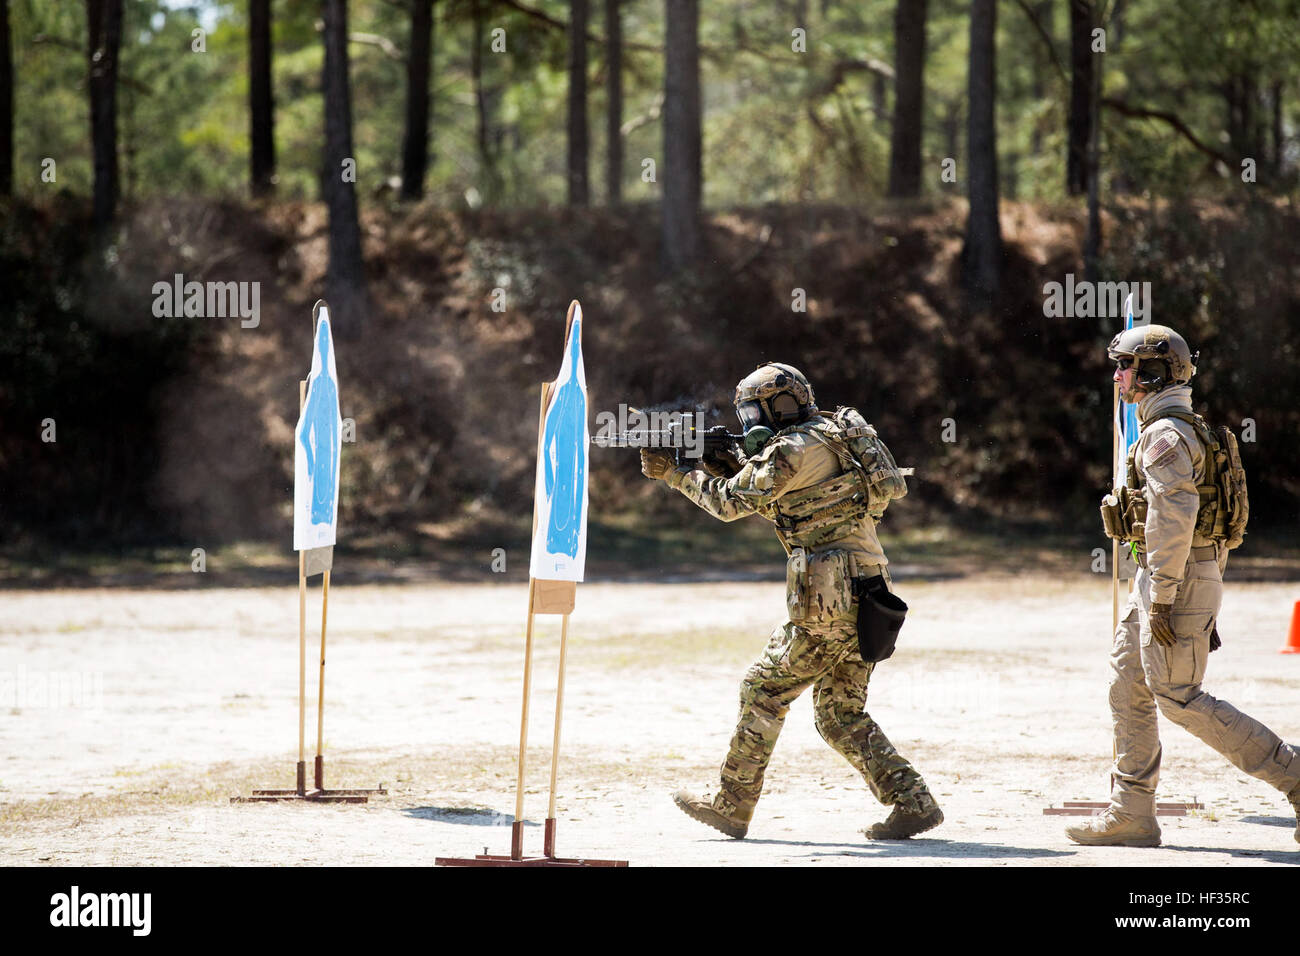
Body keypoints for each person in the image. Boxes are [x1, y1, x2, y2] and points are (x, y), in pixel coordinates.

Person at [640, 363, 943, 840]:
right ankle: (912, 801)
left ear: (774, 408)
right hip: (869, 591)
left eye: (752, 412)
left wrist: (677, 475)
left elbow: (728, 505)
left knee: (764, 690)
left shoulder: (792, 449)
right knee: (840, 716)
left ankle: (731, 805)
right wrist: (730, 467)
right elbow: (803, 506)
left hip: (830, 598)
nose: (748, 423)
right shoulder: (834, 434)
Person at [1067, 325, 1300, 847]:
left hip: (1175, 577)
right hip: (1168, 575)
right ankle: (1132, 813)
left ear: (1152, 373)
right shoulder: (1167, 425)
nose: (1118, 377)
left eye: (1125, 367)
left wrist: (1165, 599)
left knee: (1177, 696)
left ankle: (1296, 776)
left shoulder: (1165, 435)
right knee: (1128, 685)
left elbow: (1172, 518)